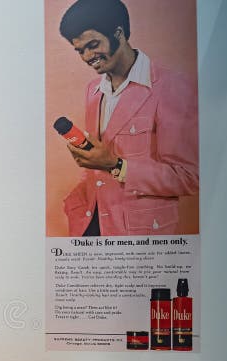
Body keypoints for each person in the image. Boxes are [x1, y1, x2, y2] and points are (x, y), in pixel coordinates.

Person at [58, 0, 199, 236]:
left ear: (118, 33)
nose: (86, 57)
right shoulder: (93, 90)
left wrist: (117, 165)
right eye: (80, 50)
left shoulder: (172, 86)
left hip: (139, 237)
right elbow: (97, 166)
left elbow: (188, 177)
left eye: (93, 45)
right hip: (90, 225)